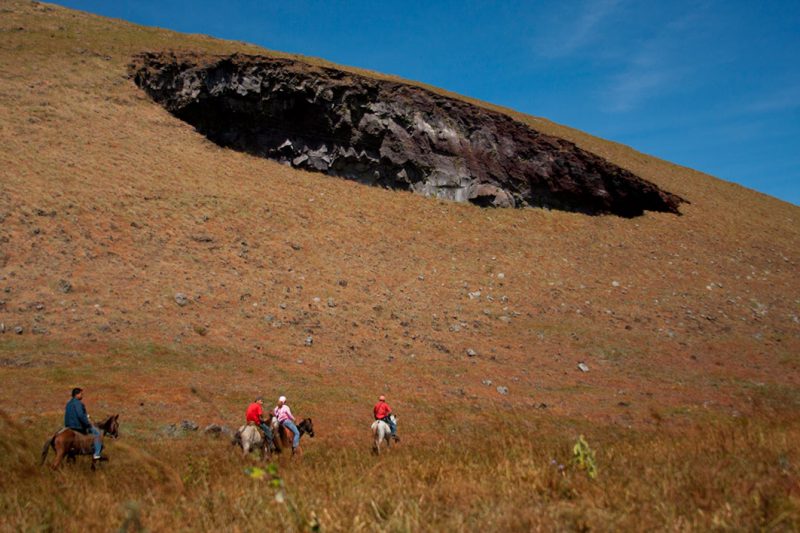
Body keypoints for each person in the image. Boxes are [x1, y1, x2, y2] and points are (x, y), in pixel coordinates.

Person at [64, 387, 103, 460]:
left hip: (68, 425)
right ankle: (97, 454)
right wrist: (88, 424)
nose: (82, 396)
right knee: (97, 433)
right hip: (77, 425)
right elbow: (80, 415)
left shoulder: (69, 403)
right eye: (81, 394)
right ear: (76, 394)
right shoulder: (78, 403)